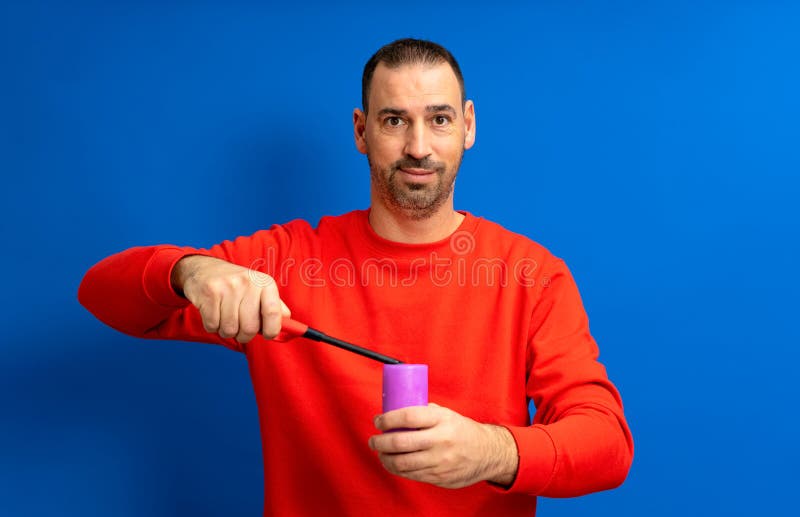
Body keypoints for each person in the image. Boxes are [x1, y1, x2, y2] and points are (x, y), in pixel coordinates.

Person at [79, 38, 633, 516]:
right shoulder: (284, 260)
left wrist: (493, 452)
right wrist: (189, 271)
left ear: (467, 126)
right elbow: (100, 293)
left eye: (438, 119)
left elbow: (608, 445)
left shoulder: (531, 274)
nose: (419, 147)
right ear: (361, 131)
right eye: (395, 121)